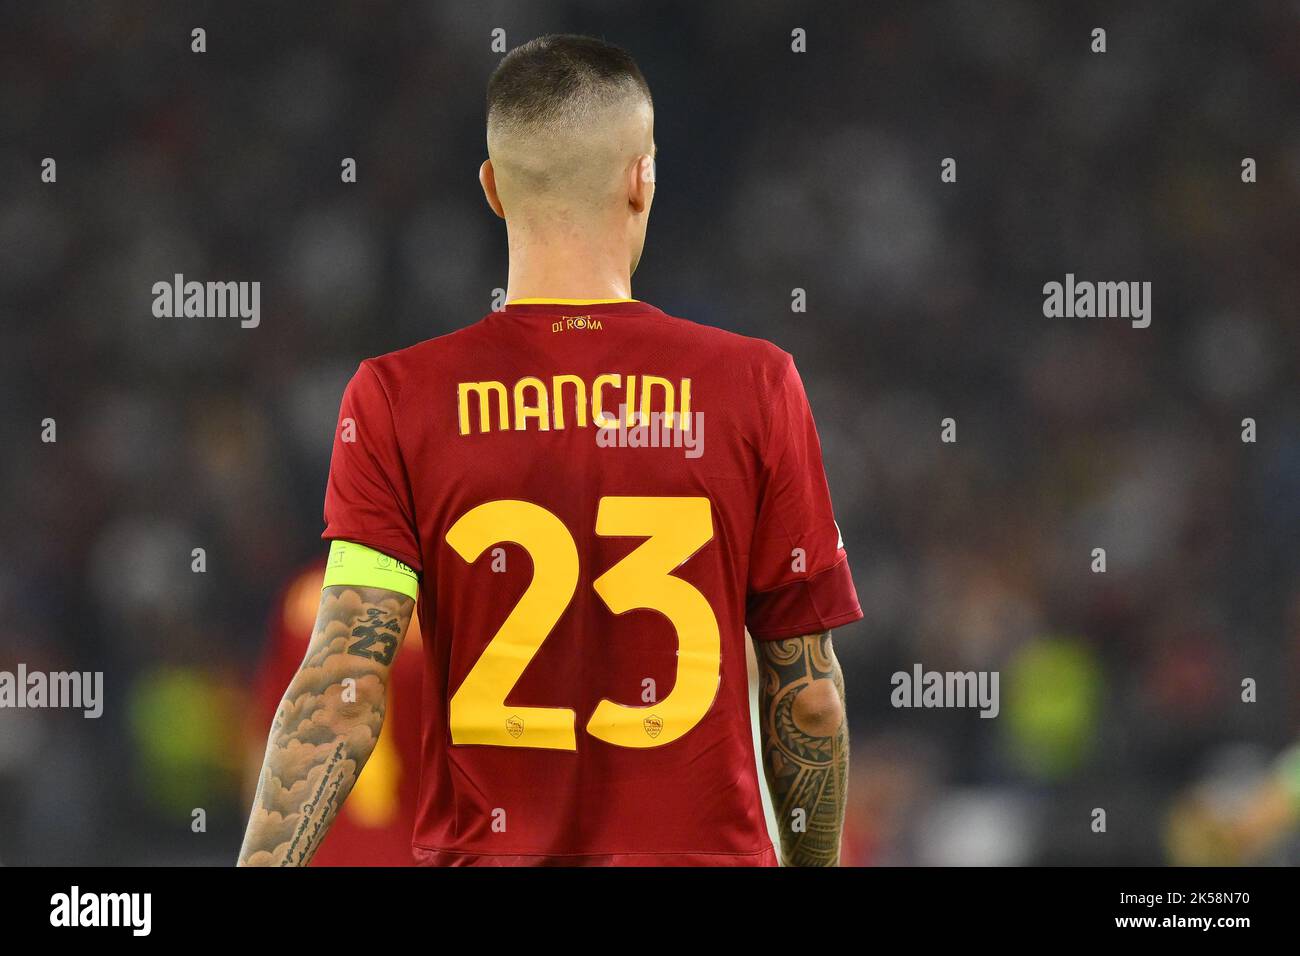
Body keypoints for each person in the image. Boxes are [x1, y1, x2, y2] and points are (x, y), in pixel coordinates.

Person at [239, 33, 861, 867]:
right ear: (643, 179)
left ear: (493, 190)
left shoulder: (397, 397)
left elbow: (341, 696)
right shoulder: (755, 385)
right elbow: (810, 701)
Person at [246, 560, 422, 865]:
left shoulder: (306, 596)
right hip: (417, 844)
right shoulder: (449, 604)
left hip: (321, 848)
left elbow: (267, 737)